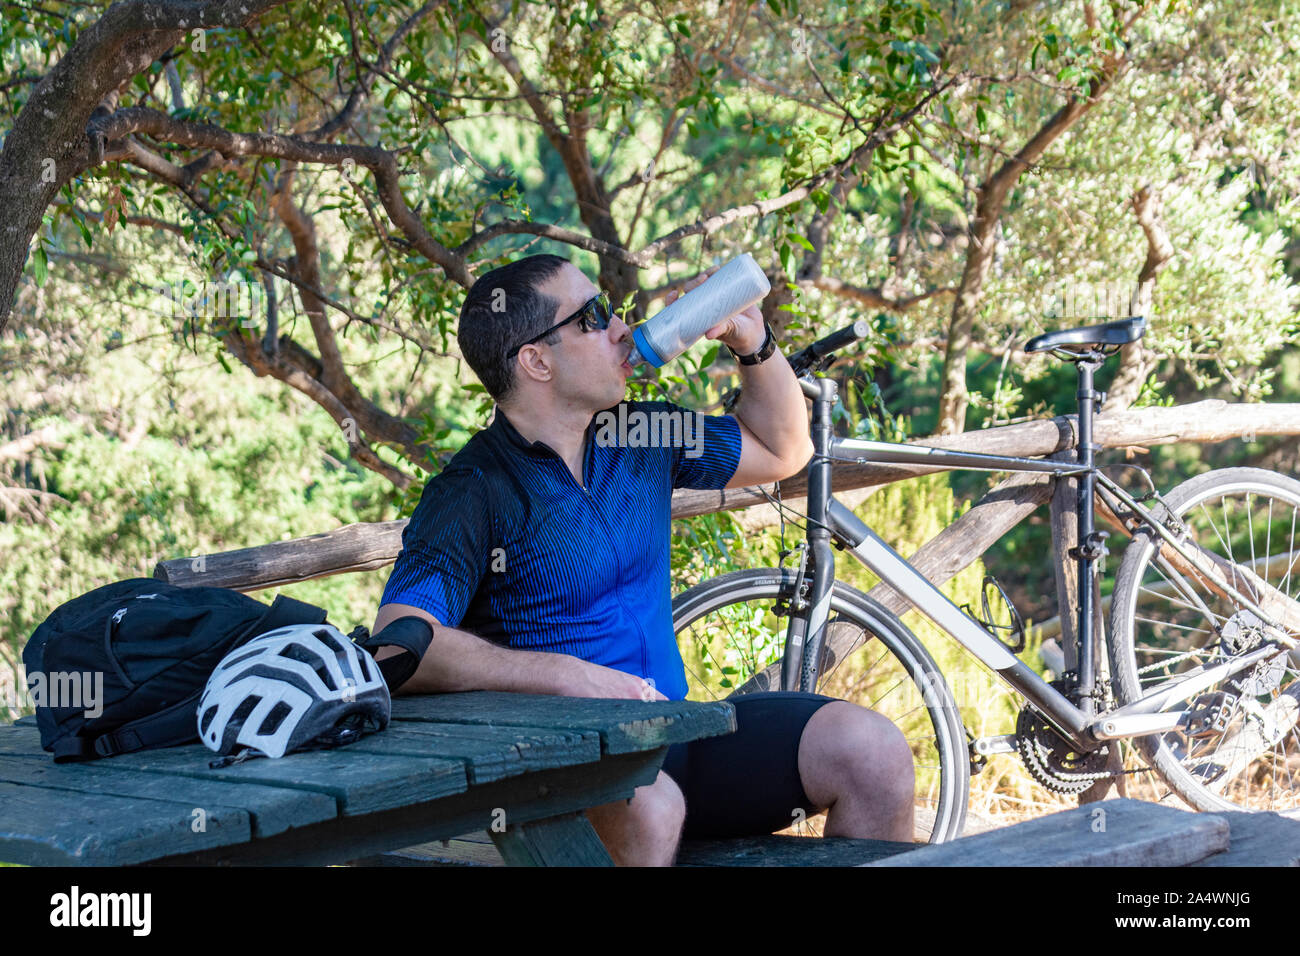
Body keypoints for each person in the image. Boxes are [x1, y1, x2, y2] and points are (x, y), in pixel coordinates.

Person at [370, 254, 915, 865]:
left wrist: (753, 345)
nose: (622, 329)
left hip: (676, 731)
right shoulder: (472, 489)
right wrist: (569, 676)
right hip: (565, 761)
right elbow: (399, 641)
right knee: (654, 809)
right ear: (536, 360)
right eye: (595, 317)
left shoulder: (639, 433)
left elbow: (783, 448)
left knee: (874, 753)